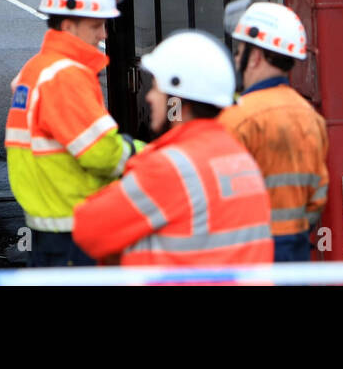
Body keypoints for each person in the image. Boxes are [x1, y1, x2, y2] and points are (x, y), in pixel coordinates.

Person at [73, 31, 273, 266]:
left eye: (156, 88)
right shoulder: (240, 157)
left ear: (175, 100)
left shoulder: (168, 167)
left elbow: (88, 229)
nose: (149, 97)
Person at [5, 0, 140, 267]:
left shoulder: (37, 68)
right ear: (68, 26)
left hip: (51, 226)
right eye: (96, 26)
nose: (104, 35)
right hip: (74, 230)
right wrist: (139, 150)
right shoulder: (65, 76)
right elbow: (101, 154)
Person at [220, 1, 329, 262]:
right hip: (297, 248)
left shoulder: (236, 117)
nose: (236, 59)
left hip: (250, 252)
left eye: (240, 52)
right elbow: (318, 194)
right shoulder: (312, 118)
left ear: (255, 56)